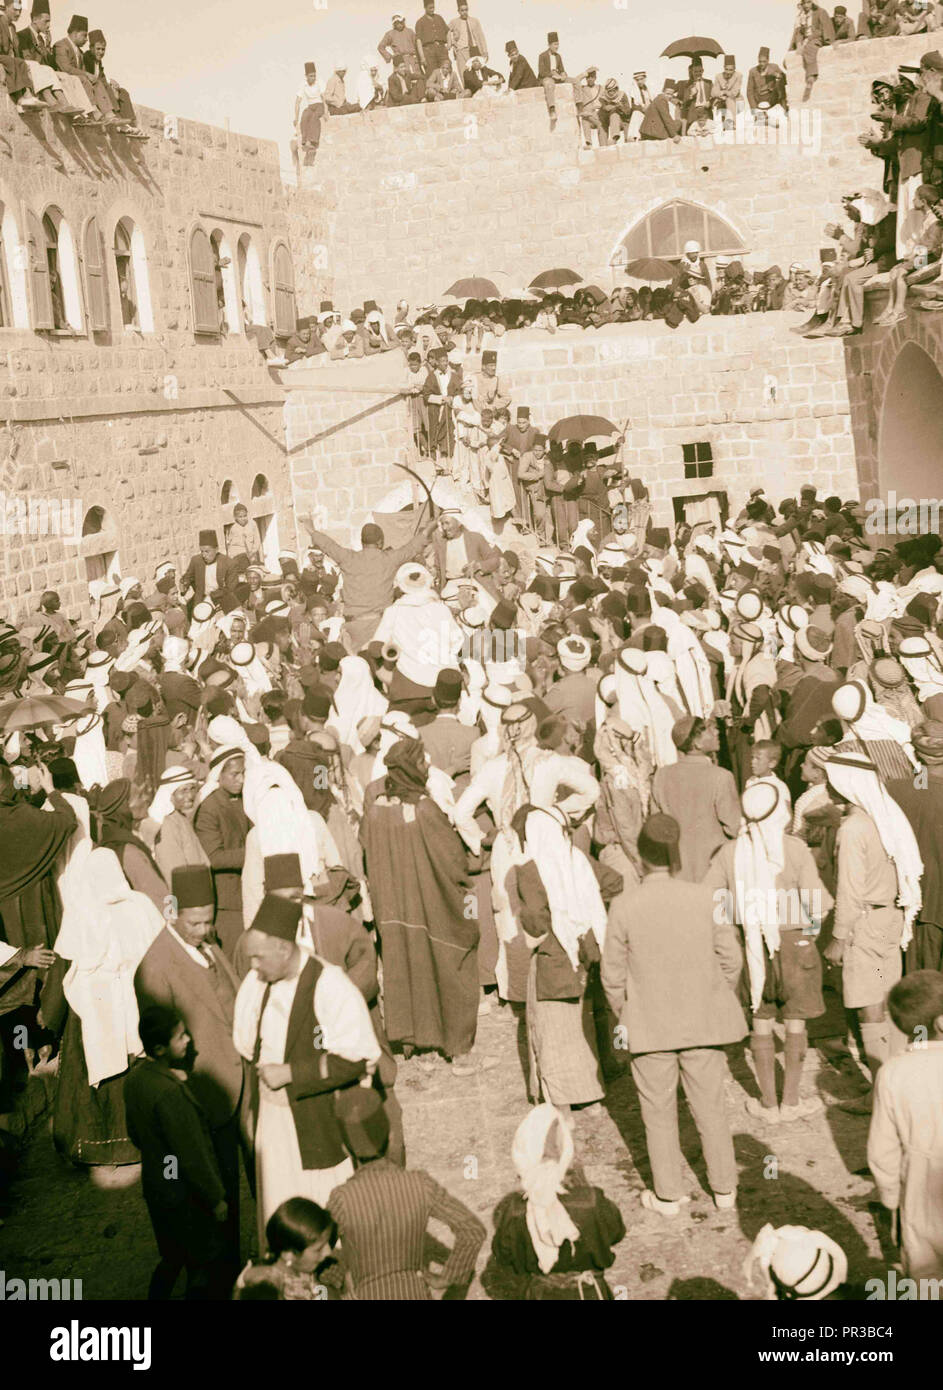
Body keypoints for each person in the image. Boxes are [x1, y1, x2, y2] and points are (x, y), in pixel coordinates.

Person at [602, 814, 746, 1216]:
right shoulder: (705, 899)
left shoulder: (624, 905)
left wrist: (629, 1011)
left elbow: (611, 976)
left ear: (640, 856)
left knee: (657, 1111)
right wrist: (713, 997)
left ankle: (668, 1195)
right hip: (703, 1022)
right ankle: (725, 1189)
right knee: (711, 1107)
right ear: (676, 853)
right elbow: (731, 960)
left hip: (650, 1027)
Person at [232, 894, 380, 1246]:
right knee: (278, 1211)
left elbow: (356, 1059)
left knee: (319, 1216)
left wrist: (292, 1073)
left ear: (284, 949)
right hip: (272, 1122)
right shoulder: (257, 983)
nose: (252, 965)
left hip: (316, 1124)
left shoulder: (331, 986)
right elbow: (246, 1048)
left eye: (258, 956)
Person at [704, 780, 832, 1123]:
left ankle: (766, 1102)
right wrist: (811, 931)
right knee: (795, 1020)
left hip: (752, 944)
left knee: (760, 1019)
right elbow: (818, 905)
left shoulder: (731, 852)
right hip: (795, 941)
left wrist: (734, 922)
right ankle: (791, 1101)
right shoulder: (794, 848)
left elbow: (710, 898)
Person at [134, 865, 245, 1259]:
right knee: (220, 1196)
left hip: (242, 1086)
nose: (203, 929)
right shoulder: (154, 967)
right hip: (204, 1098)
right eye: (194, 922)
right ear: (173, 914)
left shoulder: (210, 946)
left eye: (208, 921)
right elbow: (161, 1050)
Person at [360, 737, 486, 1073]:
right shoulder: (424, 809)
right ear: (411, 769)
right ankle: (456, 1046)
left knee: (406, 971)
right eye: (421, 763)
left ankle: (414, 1042)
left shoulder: (375, 809)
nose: (427, 768)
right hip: (431, 907)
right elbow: (451, 860)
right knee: (449, 966)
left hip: (394, 910)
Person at [51, 845, 164, 1168]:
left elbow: (66, 962)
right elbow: (158, 946)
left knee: (98, 1063)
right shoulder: (139, 905)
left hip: (97, 1005)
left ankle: (99, 1147)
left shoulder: (82, 909)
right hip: (136, 996)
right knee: (136, 1063)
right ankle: (140, 1143)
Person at [823, 752, 924, 1112]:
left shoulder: (852, 830)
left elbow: (849, 892)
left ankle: (881, 1096)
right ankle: (898, 1089)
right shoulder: (883, 818)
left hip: (865, 928)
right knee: (886, 1004)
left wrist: (837, 938)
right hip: (889, 922)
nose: (827, 786)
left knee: (870, 1012)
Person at [329, 1085, 485, 1298]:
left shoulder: (342, 1199)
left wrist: (340, 1282)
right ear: (391, 1135)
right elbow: (473, 1230)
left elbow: (317, 1249)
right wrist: (447, 1277)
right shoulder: (420, 1184)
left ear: (345, 1148)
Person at [124, 1005, 233, 1299]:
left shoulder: (136, 1080)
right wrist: (216, 1197)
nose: (188, 1040)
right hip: (186, 1196)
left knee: (172, 1258)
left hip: (157, 1189)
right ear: (160, 1048)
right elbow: (192, 1154)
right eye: (181, 1036)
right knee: (203, 1262)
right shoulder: (171, 1094)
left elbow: (135, 1133)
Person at [514, 806, 609, 1114]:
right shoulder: (577, 858)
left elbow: (537, 925)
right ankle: (592, 1096)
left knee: (552, 1035)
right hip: (584, 953)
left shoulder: (531, 870)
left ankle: (562, 1104)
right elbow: (613, 882)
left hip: (552, 960)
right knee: (581, 1029)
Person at [485, 1104, 625, 1299]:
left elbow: (505, 1255)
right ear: (565, 1148)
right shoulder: (592, 1200)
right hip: (589, 1292)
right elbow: (616, 1233)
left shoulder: (515, 1211)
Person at [868, 971, 943, 1280]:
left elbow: (882, 1149)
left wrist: (889, 1197)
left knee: (925, 1271)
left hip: (919, 1188)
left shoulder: (892, 1073)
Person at [302, 517, 436, 650]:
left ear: (362, 542)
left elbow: (329, 545)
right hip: (381, 626)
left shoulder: (348, 558)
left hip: (353, 628)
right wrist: (429, 528)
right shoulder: (389, 559)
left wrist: (311, 530)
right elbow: (412, 547)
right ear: (380, 542)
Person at [650, 716, 741, 881]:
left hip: (676, 871)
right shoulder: (721, 776)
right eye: (707, 729)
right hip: (713, 871)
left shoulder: (661, 776)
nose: (716, 732)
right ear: (696, 744)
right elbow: (734, 827)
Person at [886, 721, 943, 970]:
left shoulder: (896, 791)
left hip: (917, 901)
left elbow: (922, 784)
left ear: (914, 751)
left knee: (921, 986)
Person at [193, 748, 249, 961]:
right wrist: (253, 854)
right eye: (235, 774)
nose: (241, 780)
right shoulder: (210, 807)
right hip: (228, 899)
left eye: (243, 773)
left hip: (243, 893)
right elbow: (214, 857)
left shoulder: (241, 799)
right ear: (219, 775)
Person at [236, 1198, 343, 1300]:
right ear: (288, 1254)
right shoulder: (265, 1290)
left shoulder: (306, 1270)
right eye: (318, 1249)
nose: (328, 1252)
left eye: (327, 1243)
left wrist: (330, 1288)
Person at [789, 0, 836, 103]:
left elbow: (822, 30)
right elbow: (799, 32)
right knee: (795, 53)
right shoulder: (802, 16)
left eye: (808, 2)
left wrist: (808, 39)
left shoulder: (820, 12)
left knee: (810, 48)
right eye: (804, 3)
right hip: (806, 39)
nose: (806, 5)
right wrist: (799, 43)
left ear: (812, 3)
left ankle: (811, 76)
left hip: (817, 38)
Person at [180, 530, 239, 609]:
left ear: (216, 549)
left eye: (207, 551)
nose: (204, 555)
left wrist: (212, 597)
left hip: (222, 601)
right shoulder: (196, 561)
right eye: (202, 551)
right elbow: (188, 577)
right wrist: (184, 583)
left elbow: (231, 588)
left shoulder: (229, 563)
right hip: (201, 602)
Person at [747, 47, 788, 125]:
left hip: (772, 98)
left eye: (764, 61)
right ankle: (762, 116)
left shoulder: (774, 67)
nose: (761, 64)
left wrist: (775, 74)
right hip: (760, 99)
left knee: (780, 84)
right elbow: (750, 91)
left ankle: (786, 111)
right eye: (760, 61)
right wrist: (754, 109)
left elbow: (785, 80)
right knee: (761, 121)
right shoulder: (753, 71)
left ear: (768, 61)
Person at [537, 31, 568, 128]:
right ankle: (552, 110)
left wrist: (563, 75)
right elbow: (542, 72)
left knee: (574, 81)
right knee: (549, 84)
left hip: (557, 77)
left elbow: (562, 70)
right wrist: (552, 75)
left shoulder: (558, 56)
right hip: (547, 78)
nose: (557, 47)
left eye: (558, 44)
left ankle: (580, 107)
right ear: (549, 45)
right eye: (555, 44)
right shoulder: (542, 56)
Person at [295, 62, 325, 158]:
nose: (313, 78)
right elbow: (297, 102)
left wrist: (326, 111)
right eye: (311, 76)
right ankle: (305, 142)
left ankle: (313, 141)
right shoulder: (303, 84)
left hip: (319, 104)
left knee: (314, 117)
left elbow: (324, 97)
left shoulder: (319, 81)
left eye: (314, 76)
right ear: (306, 76)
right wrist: (296, 117)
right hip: (310, 106)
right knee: (304, 116)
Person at [448, 0, 487, 76]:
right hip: (462, 50)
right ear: (458, 11)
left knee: (478, 74)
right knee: (464, 73)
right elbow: (446, 31)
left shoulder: (475, 21)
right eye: (462, 10)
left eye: (466, 10)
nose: (464, 12)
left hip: (475, 49)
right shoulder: (454, 22)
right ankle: (466, 88)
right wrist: (452, 42)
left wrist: (485, 51)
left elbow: (481, 36)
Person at [378, 12, 421, 77]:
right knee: (402, 81)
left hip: (413, 61)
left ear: (403, 21)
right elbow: (380, 47)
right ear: (394, 24)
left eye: (401, 22)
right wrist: (390, 56)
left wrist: (420, 58)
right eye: (397, 23)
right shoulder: (390, 34)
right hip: (400, 61)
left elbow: (417, 45)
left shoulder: (410, 32)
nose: (399, 25)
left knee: (418, 79)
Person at [415, 0, 449, 77]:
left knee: (447, 70)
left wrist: (449, 45)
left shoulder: (439, 18)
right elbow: (418, 40)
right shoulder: (420, 22)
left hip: (442, 49)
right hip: (429, 52)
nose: (432, 10)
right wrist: (422, 57)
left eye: (433, 7)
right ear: (425, 8)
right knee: (432, 74)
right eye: (430, 8)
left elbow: (448, 31)